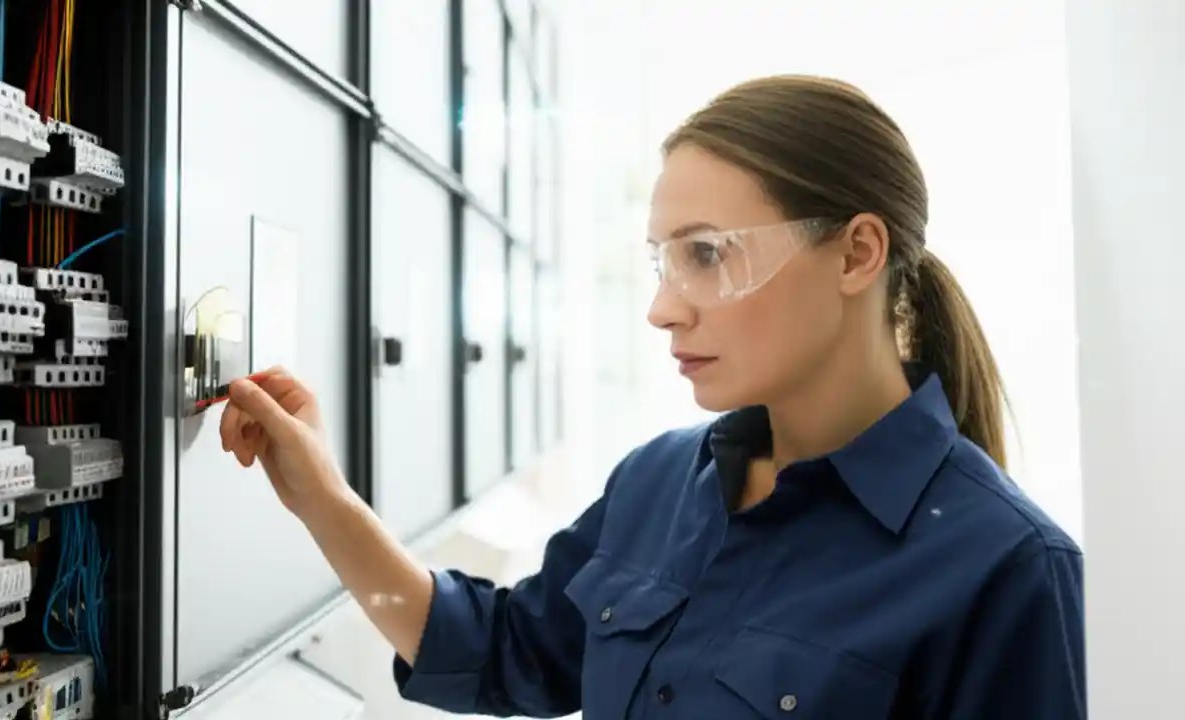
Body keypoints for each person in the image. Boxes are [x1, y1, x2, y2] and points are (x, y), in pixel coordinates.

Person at [219, 75, 1085, 719]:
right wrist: (321, 499)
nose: (664, 307)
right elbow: (502, 652)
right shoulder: (661, 483)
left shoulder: (1005, 569)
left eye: (707, 254)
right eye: (663, 259)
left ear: (857, 253)